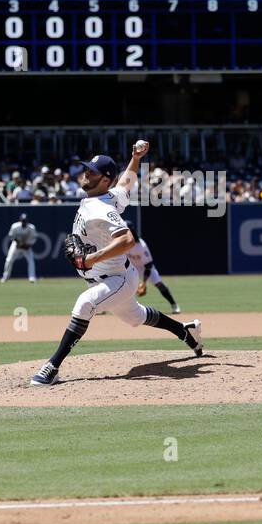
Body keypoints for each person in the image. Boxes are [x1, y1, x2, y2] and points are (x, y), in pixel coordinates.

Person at [28, 142, 203, 386]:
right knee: (136, 317)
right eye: (86, 170)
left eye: (92, 172)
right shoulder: (109, 196)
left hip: (117, 279)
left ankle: (52, 366)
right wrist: (136, 158)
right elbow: (126, 184)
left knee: (85, 304)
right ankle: (185, 330)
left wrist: (92, 258)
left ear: (104, 179)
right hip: (110, 278)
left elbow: (128, 240)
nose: (86, 174)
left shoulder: (101, 208)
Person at [126, 229, 181, 314]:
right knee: (123, 285)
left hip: (145, 268)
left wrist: (144, 283)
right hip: (132, 267)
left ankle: (174, 305)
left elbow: (148, 266)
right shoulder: (123, 243)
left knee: (159, 284)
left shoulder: (141, 246)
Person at [2, 213, 39, 283]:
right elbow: (11, 236)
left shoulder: (31, 228)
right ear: (20, 220)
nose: (24, 222)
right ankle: (5, 276)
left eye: (25, 221)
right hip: (16, 245)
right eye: (23, 220)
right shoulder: (15, 226)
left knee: (31, 260)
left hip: (26, 246)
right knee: (9, 260)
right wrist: (18, 242)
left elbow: (34, 238)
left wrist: (28, 245)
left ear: (27, 221)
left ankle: (32, 277)